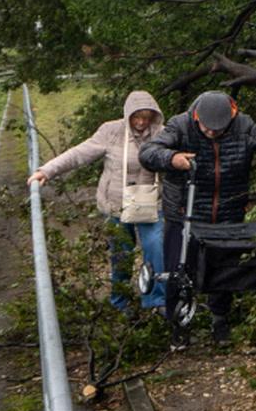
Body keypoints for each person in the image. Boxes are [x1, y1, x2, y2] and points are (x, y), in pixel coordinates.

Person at [139, 90, 256, 344]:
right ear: (196, 117)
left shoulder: (244, 125)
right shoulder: (180, 125)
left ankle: (220, 321)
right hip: (185, 212)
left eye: (219, 130)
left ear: (232, 117)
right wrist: (173, 159)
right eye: (207, 129)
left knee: (224, 267)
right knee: (177, 269)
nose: (212, 134)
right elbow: (149, 152)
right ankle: (178, 325)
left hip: (229, 210)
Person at [28, 90, 167, 313]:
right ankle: (120, 302)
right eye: (136, 117)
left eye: (146, 117)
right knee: (121, 254)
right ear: (128, 114)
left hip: (149, 202)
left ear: (153, 116)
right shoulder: (111, 131)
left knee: (156, 247)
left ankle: (156, 301)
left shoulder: (163, 134)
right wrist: (47, 171)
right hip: (116, 204)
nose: (141, 122)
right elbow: (80, 153)